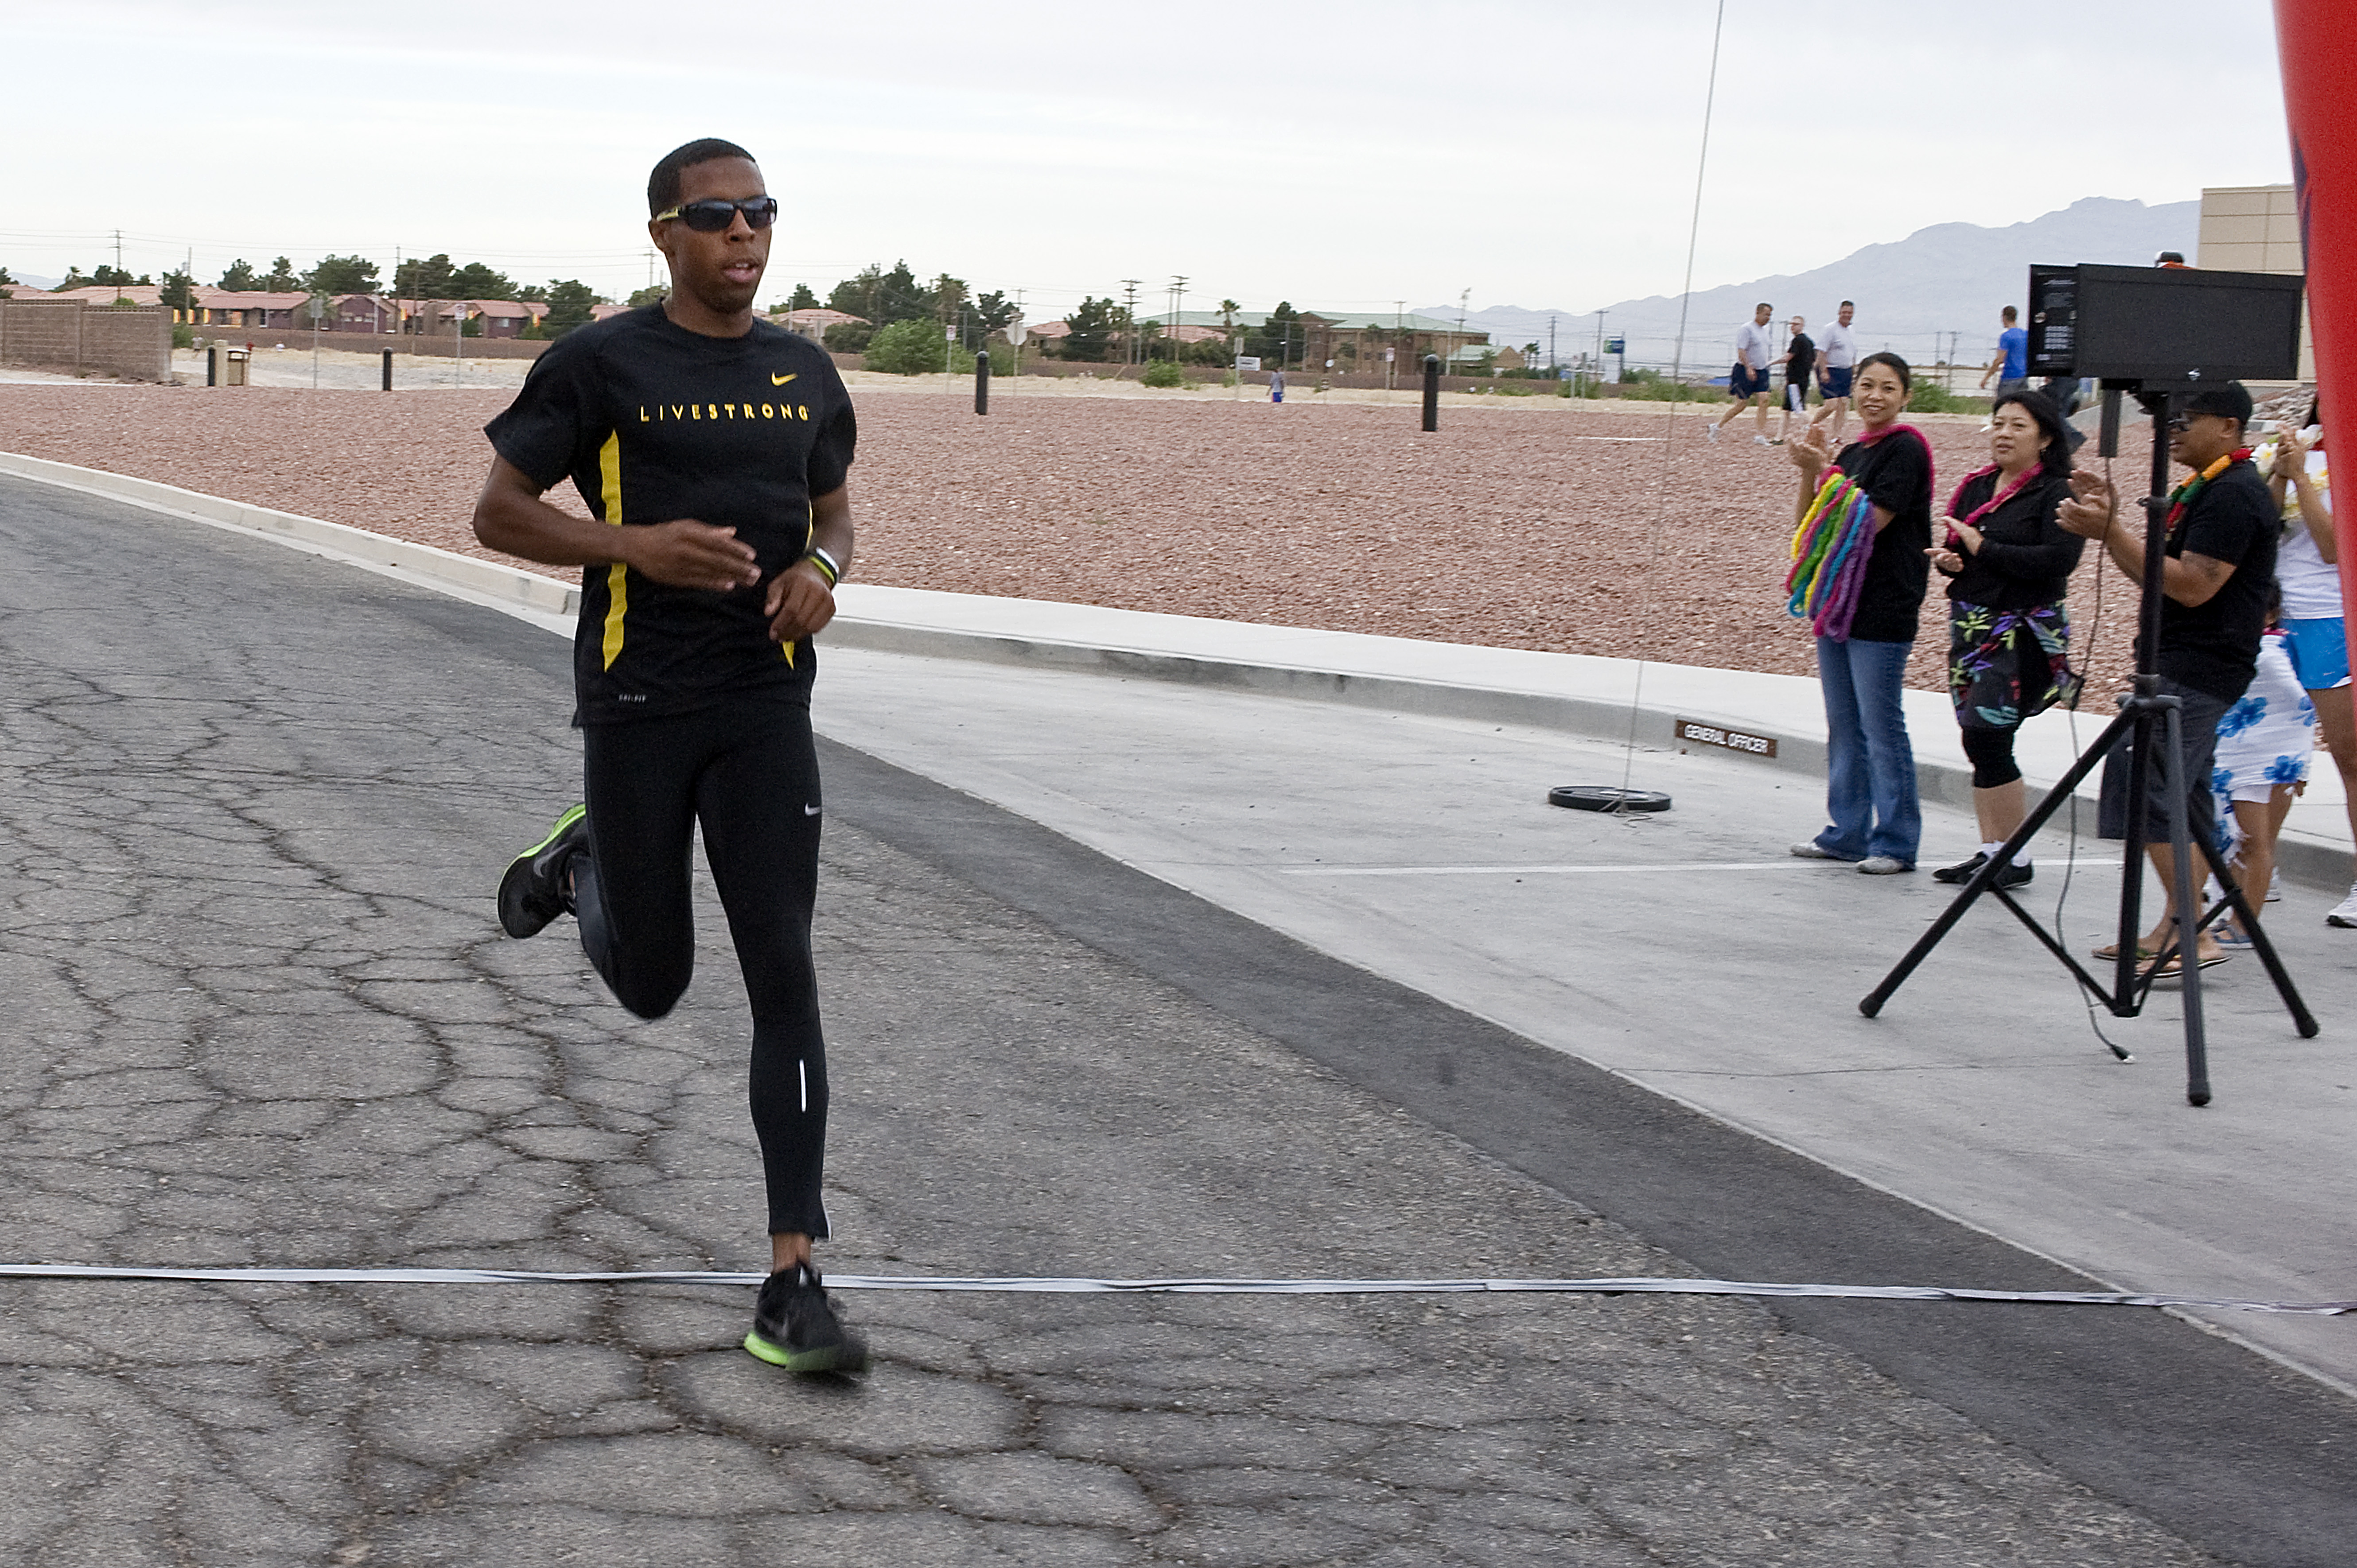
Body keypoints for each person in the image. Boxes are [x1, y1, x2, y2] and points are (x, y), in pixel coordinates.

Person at [471, 137, 869, 1372]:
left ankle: (794, 1282)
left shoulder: (805, 372)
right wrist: (632, 546)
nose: (743, 233)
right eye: (716, 216)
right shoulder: (599, 363)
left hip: (766, 705)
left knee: (785, 972)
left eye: (760, 212)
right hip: (639, 699)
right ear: (664, 235)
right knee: (653, 984)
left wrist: (824, 570)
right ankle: (582, 865)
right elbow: (498, 511)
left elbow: (836, 510)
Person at [2059, 382, 2277, 978]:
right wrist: (2112, 525)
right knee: (2183, 798)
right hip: (2185, 664)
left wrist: (2112, 531)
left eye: (2186, 419)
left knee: (2148, 788)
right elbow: (2161, 574)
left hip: (2199, 668)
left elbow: (2194, 586)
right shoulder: (2209, 487)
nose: (2171, 430)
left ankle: (2192, 933)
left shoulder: (2233, 493)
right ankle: (2177, 928)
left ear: (2229, 427)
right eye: (2169, 420)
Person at [1924, 389, 2084, 885]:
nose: (2004, 434)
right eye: (1998, 424)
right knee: (1977, 738)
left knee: (1989, 735)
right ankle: (1993, 849)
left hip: (2022, 632)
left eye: (2018, 426)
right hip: (1973, 627)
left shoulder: (2057, 492)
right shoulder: (1977, 486)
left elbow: (2058, 561)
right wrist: (1952, 561)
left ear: (2045, 438)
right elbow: (1962, 548)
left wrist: (1983, 547)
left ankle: (2013, 857)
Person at [1786, 353, 1936, 873]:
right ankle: (1847, 832)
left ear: (1905, 396)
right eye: (1867, 385)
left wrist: (1823, 472)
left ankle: (1895, 841)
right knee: (1844, 723)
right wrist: (1811, 471)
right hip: (1839, 604)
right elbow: (1811, 523)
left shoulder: (1906, 450)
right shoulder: (1851, 454)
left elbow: (1867, 522)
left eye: (1887, 388)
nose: (1875, 396)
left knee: (1880, 724)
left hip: (1883, 604)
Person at [2257, 402, 2357, 926]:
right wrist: (2280, 473)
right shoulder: (2298, 449)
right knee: (2268, 752)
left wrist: (2301, 478)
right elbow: (2264, 530)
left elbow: (2334, 547)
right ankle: (2258, 868)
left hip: (2330, 618)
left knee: (2349, 755)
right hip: (2276, 616)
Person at [2205, 598, 2314, 947]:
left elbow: (2302, 703)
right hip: (2241, 756)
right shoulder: (2242, 648)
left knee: (2255, 843)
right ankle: (2235, 917)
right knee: (2244, 842)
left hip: (2266, 762)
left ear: (2271, 614)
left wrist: (2299, 762)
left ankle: (2245, 925)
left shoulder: (2273, 652)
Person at [1711, 302, 1776, 445]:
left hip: (1762, 371)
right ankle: (1717, 426)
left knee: (1764, 400)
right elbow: (1741, 351)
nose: (1768, 318)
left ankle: (1760, 435)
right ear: (1758, 313)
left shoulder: (1766, 331)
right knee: (1742, 404)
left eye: (1770, 316)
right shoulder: (1747, 329)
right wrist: (1748, 367)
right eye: (1766, 315)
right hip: (1745, 371)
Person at [1813, 300, 1859, 444]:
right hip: (1830, 370)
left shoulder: (1851, 331)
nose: (1847, 315)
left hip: (1846, 371)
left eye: (1850, 313)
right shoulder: (1830, 329)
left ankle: (1836, 435)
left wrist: (1854, 371)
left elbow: (1852, 353)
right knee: (1831, 405)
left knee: (1844, 404)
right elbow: (1822, 352)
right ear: (1839, 312)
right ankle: (1812, 424)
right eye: (1844, 312)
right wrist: (1824, 371)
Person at [1776, 314, 1815, 445]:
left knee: (1799, 410)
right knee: (1786, 410)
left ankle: (1815, 430)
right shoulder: (1809, 342)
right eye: (1791, 324)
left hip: (1796, 381)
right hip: (1799, 380)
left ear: (1802, 326)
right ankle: (1779, 437)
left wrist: (1769, 363)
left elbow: (1787, 357)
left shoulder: (1799, 341)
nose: (1792, 327)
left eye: (1796, 324)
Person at [1979, 305, 2028, 401]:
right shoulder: (2026, 334)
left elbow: (1999, 360)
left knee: (2003, 405)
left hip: (2009, 377)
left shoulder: (2006, 336)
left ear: (2004, 317)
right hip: (2024, 376)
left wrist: (1986, 378)